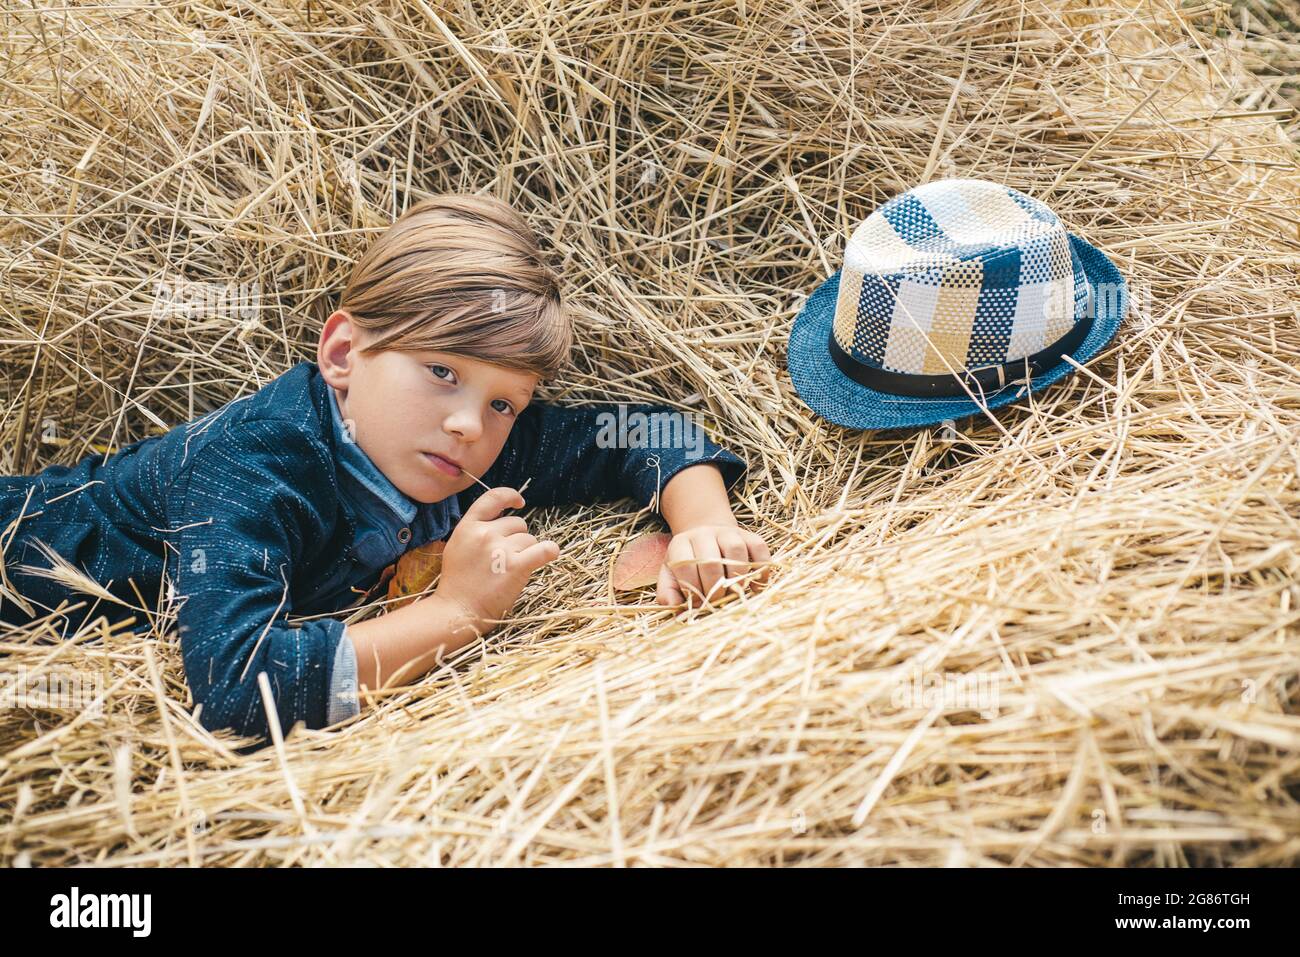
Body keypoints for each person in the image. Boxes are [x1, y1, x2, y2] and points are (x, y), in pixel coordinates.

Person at [0, 195, 769, 744]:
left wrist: (706, 523)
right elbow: (235, 689)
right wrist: (456, 613)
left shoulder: (468, 439)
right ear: (342, 355)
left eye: (506, 401)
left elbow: (640, 429)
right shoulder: (255, 466)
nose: (470, 420)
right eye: (440, 370)